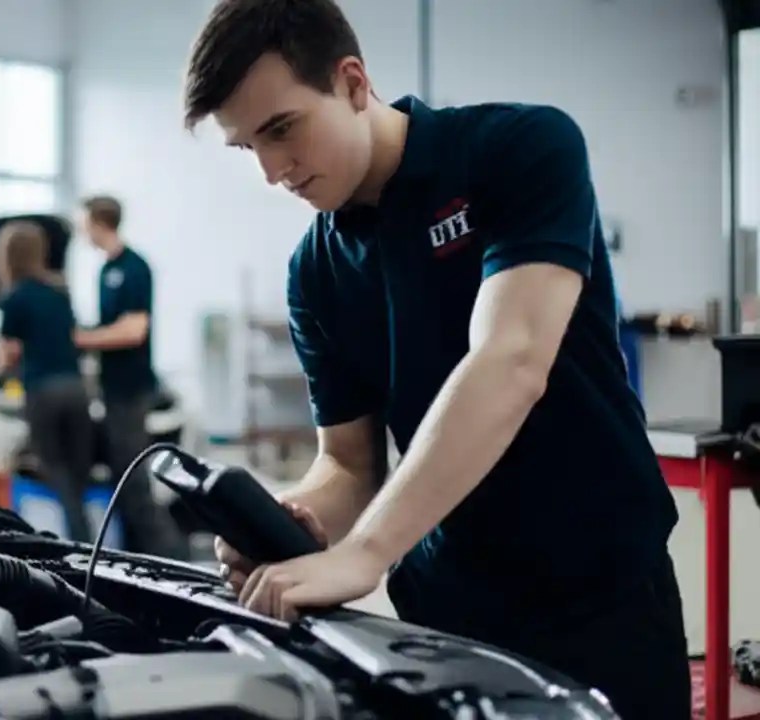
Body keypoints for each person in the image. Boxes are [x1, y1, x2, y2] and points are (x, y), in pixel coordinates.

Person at [184, 2, 689, 718]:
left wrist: (364, 554)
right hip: (449, 612)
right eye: (249, 149)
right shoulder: (315, 273)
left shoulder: (518, 148)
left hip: (598, 592)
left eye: (282, 129)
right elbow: (350, 466)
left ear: (353, 82)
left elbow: (511, 360)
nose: (273, 172)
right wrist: (293, 523)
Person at [73, 195, 188, 560]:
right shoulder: (105, 270)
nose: (80, 229)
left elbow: (134, 328)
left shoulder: (134, 267)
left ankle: (171, 554)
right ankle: (135, 553)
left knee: (134, 478)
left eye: (83, 221)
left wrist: (81, 339)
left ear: (98, 221)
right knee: (120, 475)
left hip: (131, 388)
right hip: (111, 388)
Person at [0, 220, 95, 543]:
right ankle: (90, 539)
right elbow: (73, 338)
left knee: (54, 469)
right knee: (78, 473)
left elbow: (7, 354)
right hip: (77, 390)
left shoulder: (15, 298)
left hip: (43, 391)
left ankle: (77, 544)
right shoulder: (60, 292)